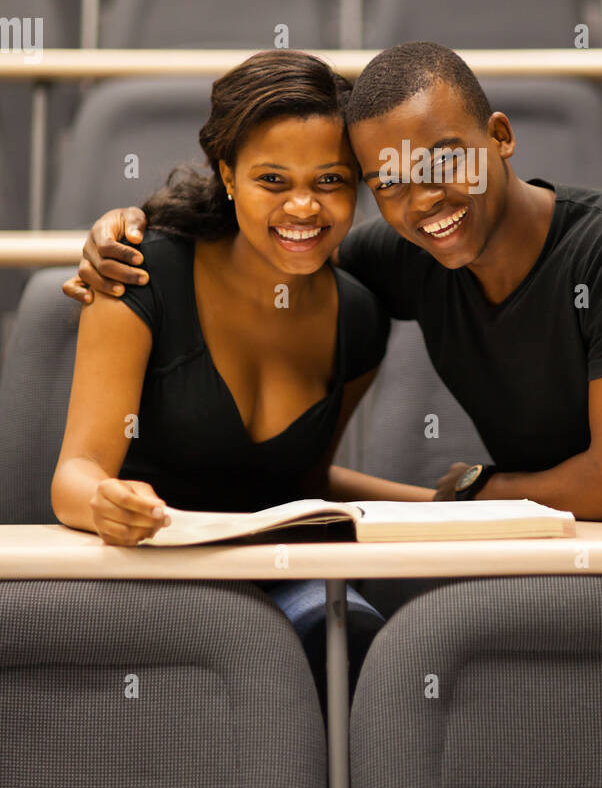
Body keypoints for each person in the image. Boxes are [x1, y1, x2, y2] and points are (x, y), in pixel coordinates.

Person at [65, 41, 602, 531]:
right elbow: (280, 250)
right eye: (388, 182)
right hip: (538, 556)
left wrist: (468, 495)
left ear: (500, 137)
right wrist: (128, 227)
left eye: (444, 159)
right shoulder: (401, 257)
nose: (423, 202)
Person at [52, 49, 434, 713]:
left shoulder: (360, 317)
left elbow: (304, 487)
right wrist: (107, 504)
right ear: (227, 176)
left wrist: (454, 504)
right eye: (273, 180)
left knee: (352, 638)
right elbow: (76, 472)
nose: (304, 208)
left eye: (331, 180)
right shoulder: (138, 275)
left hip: (273, 579)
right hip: (148, 571)